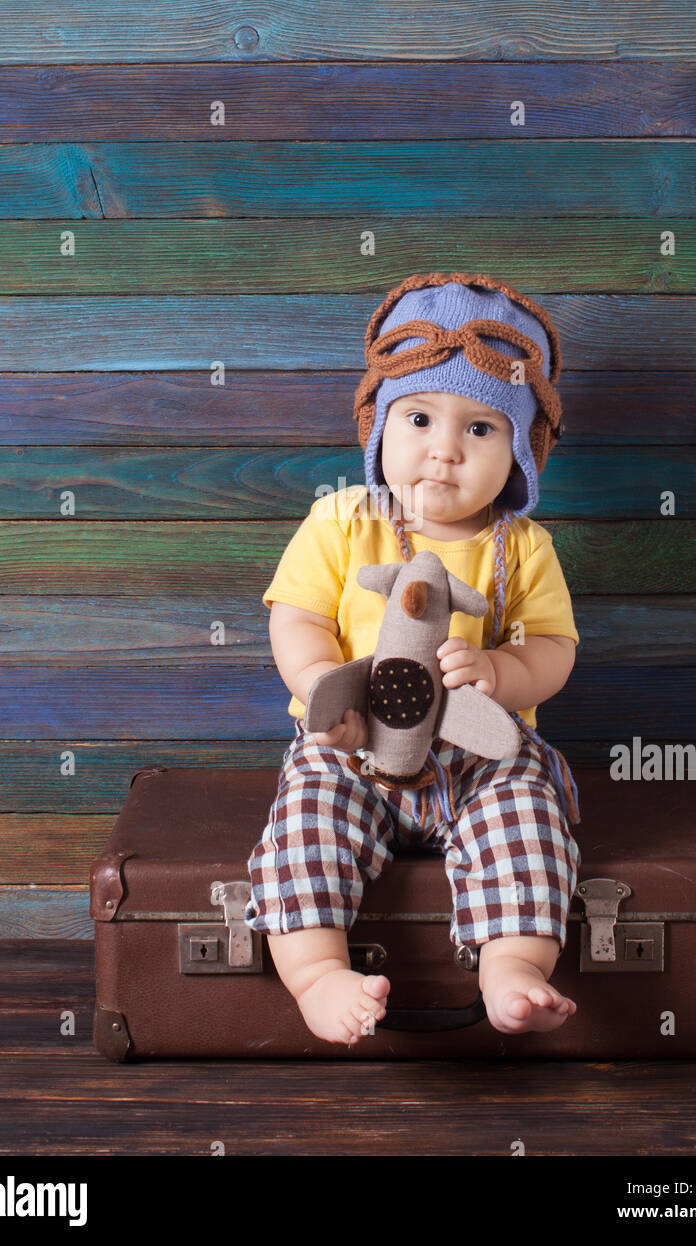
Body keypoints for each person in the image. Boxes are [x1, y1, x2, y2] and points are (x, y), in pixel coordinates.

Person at [243, 272, 582, 1047]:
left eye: (480, 430)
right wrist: (322, 692)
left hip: (480, 752)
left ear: (522, 453)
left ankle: (513, 966)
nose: (444, 451)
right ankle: (317, 974)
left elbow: (553, 648)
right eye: (421, 418)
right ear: (379, 428)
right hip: (352, 747)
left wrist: (502, 673)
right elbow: (297, 618)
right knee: (305, 826)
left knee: (527, 824)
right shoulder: (340, 521)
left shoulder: (522, 548)